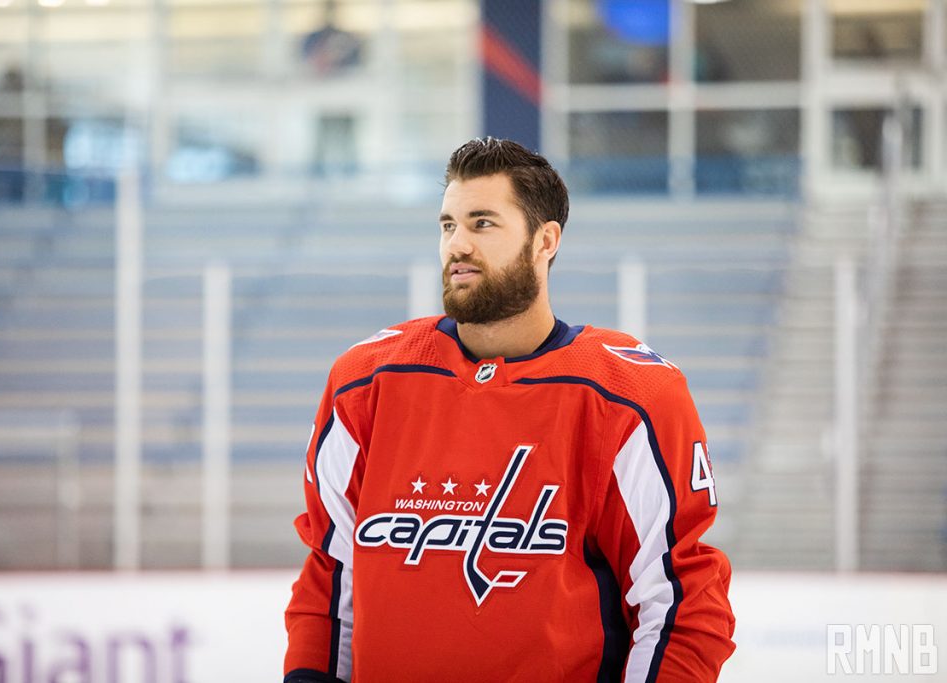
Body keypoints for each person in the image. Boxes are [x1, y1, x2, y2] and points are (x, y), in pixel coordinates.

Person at [284, 137, 736, 682]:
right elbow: (331, 579)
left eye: (483, 223)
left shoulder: (629, 397)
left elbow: (681, 601)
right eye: (448, 225)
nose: (458, 245)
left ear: (545, 241)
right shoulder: (364, 383)